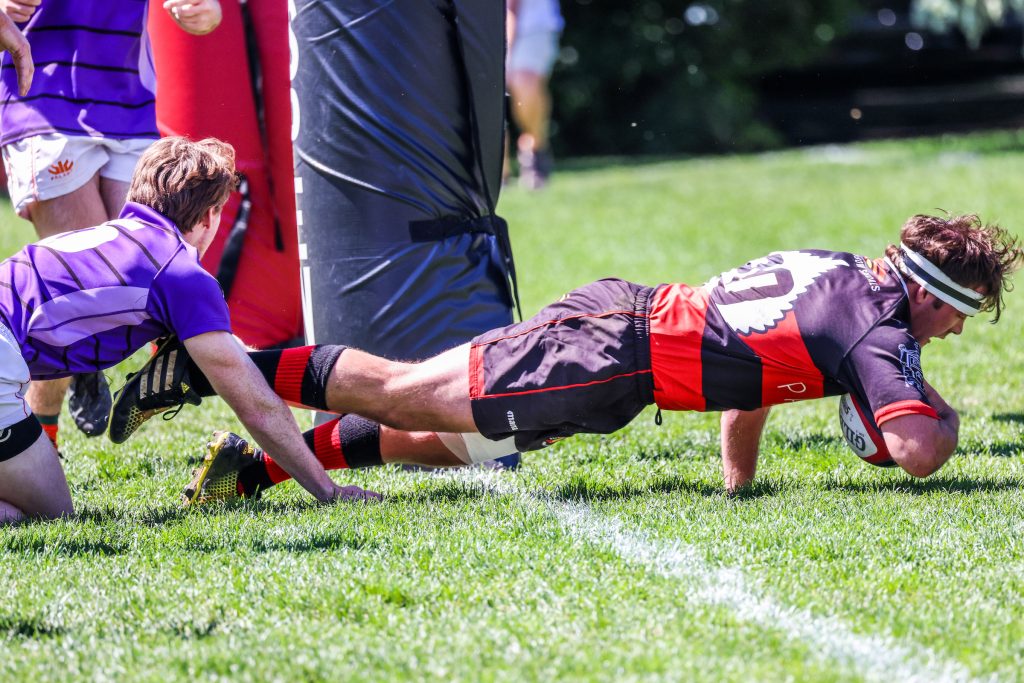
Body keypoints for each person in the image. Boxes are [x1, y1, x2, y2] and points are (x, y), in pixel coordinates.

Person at [109, 214, 1020, 503]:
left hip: (623, 332)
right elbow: (916, 452)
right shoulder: (879, 327)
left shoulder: (840, 273)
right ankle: (204, 366)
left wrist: (738, 486)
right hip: (617, 354)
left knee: (474, 440)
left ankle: (259, 468)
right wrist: (938, 411)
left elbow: (764, 377)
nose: (960, 331)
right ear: (934, 290)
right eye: (965, 313)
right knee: (403, 394)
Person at [0, 136, 369, 525]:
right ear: (210, 217)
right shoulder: (180, 273)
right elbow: (255, 404)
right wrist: (328, 490)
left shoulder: (113, 237)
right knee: (49, 515)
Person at [0, 0, 222, 442]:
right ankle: (44, 449)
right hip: (42, 101)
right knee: (76, 284)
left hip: (130, 103)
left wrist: (205, 10)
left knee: (152, 262)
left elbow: (207, 9)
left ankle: (153, 370)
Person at [505, 0, 563, 190]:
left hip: (534, 24)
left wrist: (508, 47)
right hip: (482, 26)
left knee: (525, 83)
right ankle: (498, 169)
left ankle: (535, 149)